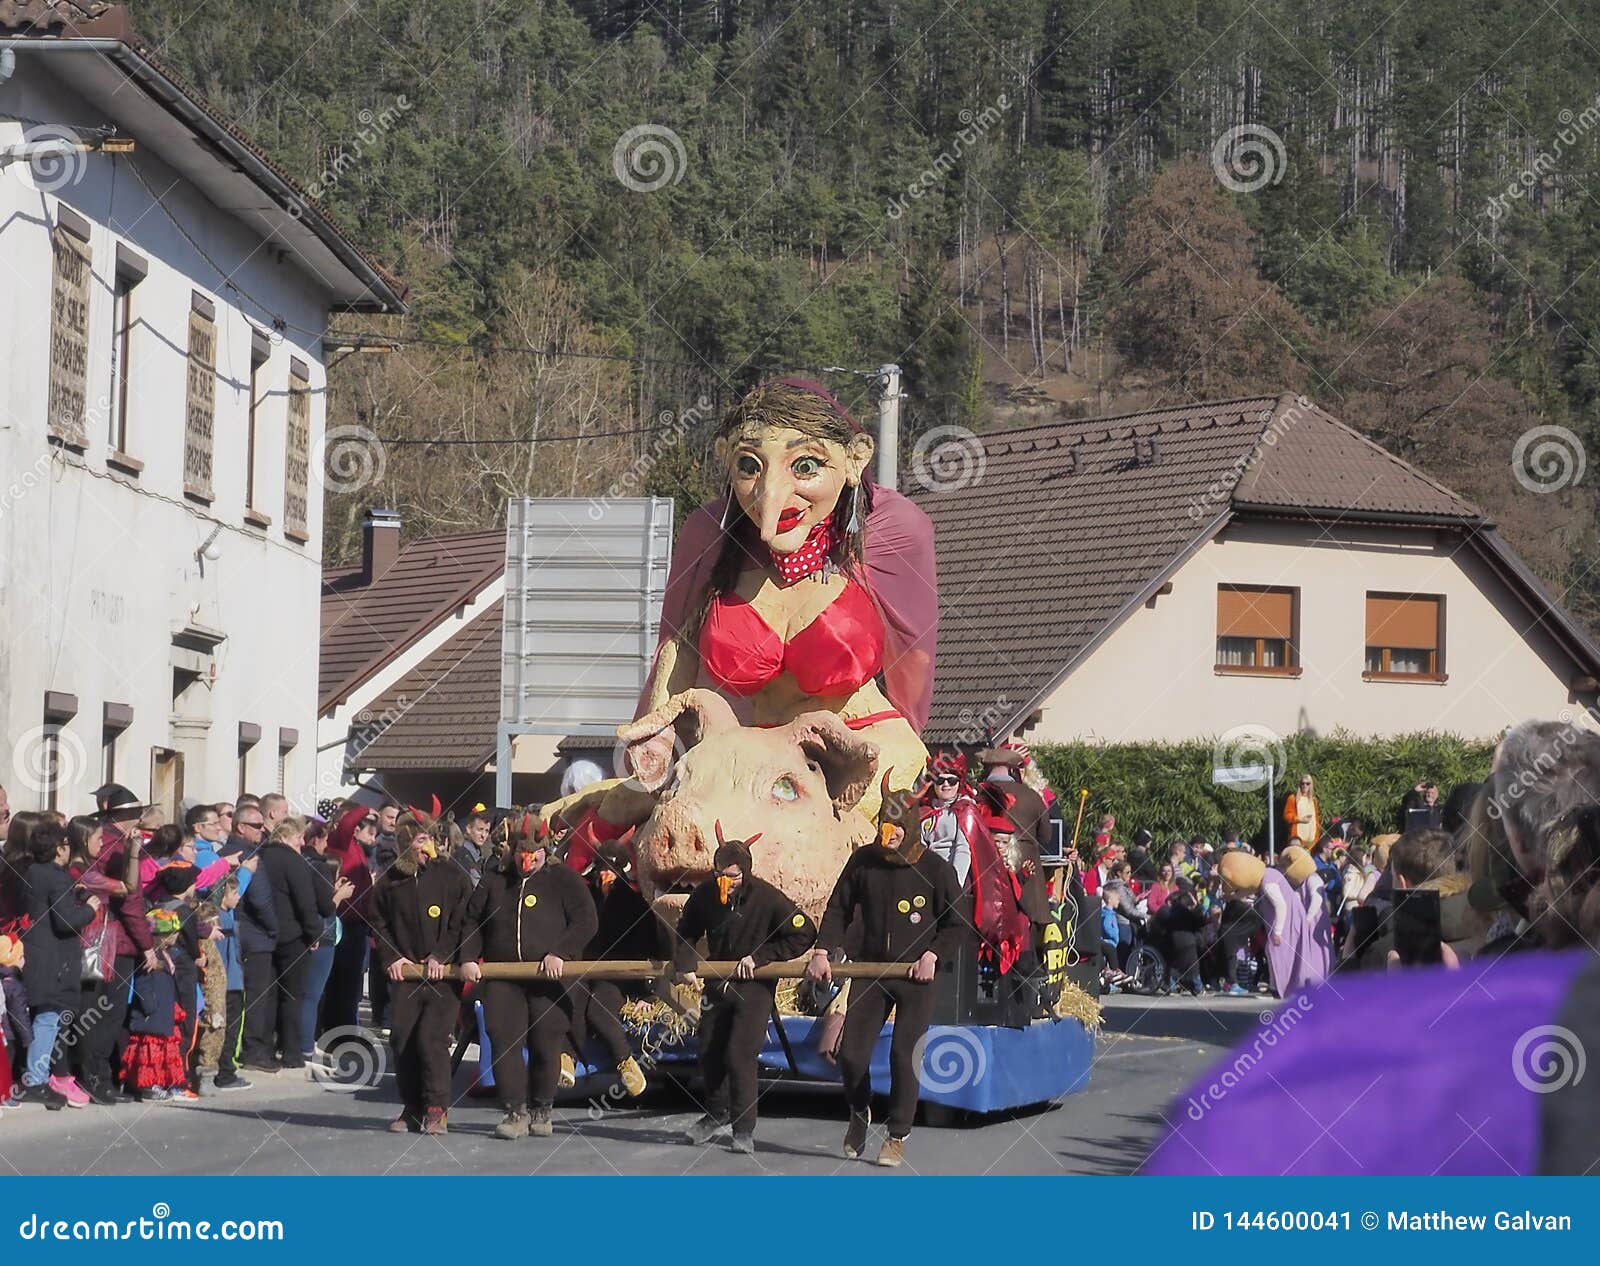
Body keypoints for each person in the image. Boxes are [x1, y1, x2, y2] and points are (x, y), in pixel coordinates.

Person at [808, 787, 961, 1169]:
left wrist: (933, 954)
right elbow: (838, 907)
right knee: (852, 1055)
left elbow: (959, 925)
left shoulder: (935, 870)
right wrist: (823, 950)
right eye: (882, 826)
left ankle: (897, 1135)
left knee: (903, 1054)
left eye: (894, 828)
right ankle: (860, 1110)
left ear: (910, 827)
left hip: (916, 976)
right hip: (870, 969)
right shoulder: (863, 862)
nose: (886, 835)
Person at [675, 832, 816, 1153]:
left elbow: (803, 931)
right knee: (709, 1048)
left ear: (746, 872)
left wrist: (761, 956)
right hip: (717, 982)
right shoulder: (705, 895)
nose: (726, 882)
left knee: (740, 1054)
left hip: (754, 987)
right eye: (720, 876)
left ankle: (743, 1128)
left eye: (733, 877)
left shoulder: (768, 898)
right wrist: (684, 962)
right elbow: (686, 930)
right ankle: (716, 1111)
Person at [460, 831, 597, 1141]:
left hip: (549, 978)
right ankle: (514, 1111)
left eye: (534, 853)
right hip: (503, 975)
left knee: (545, 1043)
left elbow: (586, 920)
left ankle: (542, 1108)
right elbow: (473, 920)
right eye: (522, 851)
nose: (527, 859)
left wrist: (560, 951)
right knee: (503, 1041)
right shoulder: (496, 878)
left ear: (543, 852)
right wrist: (468, 955)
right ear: (514, 850)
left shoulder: (563, 878)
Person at [367, 814, 472, 1135]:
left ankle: (436, 1109)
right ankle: (412, 1107)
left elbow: (463, 920)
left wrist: (442, 954)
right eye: (415, 840)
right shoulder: (391, 881)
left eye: (425, 838)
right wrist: (391, 957)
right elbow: (378, 923)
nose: (422, 846)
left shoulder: (453, 876)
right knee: (402, 1040)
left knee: (431, 1040)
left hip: (443, 976)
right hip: (406, 976)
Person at [17, 822, 99, 1109]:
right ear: (58, 849)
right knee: (49, 1019)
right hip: (54, 959)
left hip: (37, 954)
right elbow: (66, 922)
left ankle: (37, 1077)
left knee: (43, 1017)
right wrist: (91, 908)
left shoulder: (32, 872)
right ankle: (36, 1080)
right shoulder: (56, 877)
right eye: (65, 845)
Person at [243, 817, 330, 1073]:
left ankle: (264, 1049)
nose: (302, 843)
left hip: (265, 934)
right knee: (293, 996)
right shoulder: (295, 862)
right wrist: (314, 933)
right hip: (294, 936)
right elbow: (306, 902)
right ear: (286, 838)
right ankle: (291, 1052)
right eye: (298, 838)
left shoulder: (260, 856)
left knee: (267, 995)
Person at [121, 909, 188, 1101]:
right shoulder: (148, 957)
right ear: (161, 935)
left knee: (162, 1053)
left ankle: (160, 1082)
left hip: (163, 1012)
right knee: (150, 1053)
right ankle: (148, 1086)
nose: (176, 936)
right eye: (173, 933)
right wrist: (149, 1006)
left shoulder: (167, 954)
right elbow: (142, 984)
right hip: (151, 1013)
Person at [320, 804, 375, 1034]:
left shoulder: (355, 846)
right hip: (345, 922)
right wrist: (367, 808)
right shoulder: (339, 841)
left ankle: (346, 1030)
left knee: (352, 983)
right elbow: (347, 822)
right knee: (340, 983)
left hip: (359, 923)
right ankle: (337, 1031)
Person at [919, 769, 977, 885]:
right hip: (927, 875)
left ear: (959, 783)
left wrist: (955, 884)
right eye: (940, 780)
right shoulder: (925, 811)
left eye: (951, 781)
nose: (946, 784)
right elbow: (920, 846)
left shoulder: (965, 809)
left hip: (952, 875)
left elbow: (963, 849)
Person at [1283, 774, 1320, 847]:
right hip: (1297, 840)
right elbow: (1286, 815)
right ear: (1299, 785)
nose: (1305, 785)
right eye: (1302, 783)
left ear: (1311, 785)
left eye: (1307, 783)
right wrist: (1299, 819)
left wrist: (1316, 837)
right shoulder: (1293, 798)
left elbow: (1316, 820)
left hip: (1311, 842)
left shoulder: (1313, 800)